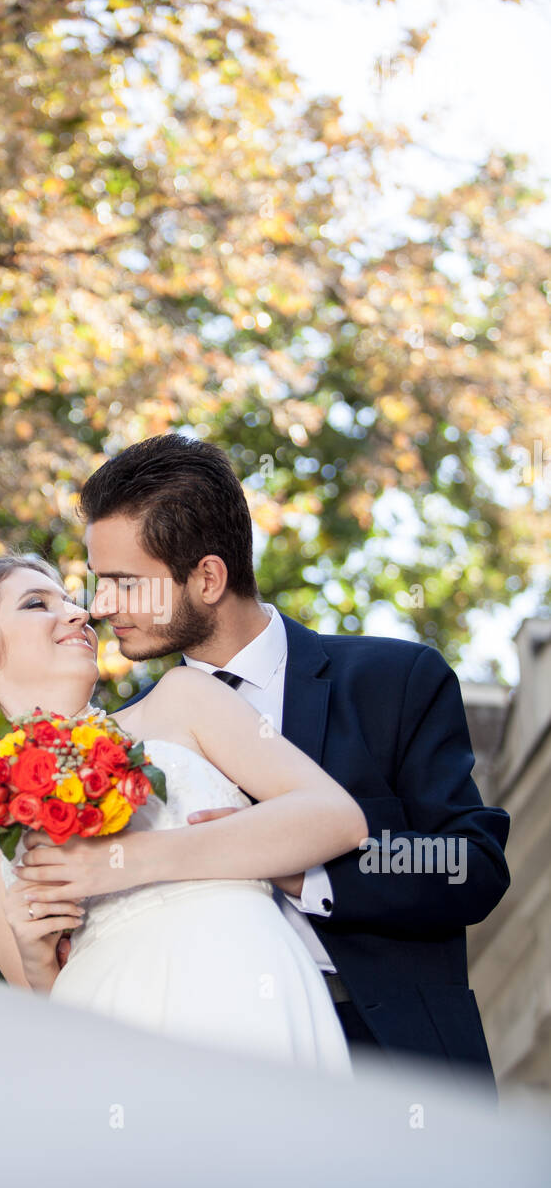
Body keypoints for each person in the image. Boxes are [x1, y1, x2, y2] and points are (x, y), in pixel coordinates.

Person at [67, 432, 511, 1093]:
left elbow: (466, 863)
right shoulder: (122, 743)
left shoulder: (391, 681)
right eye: (100, 583)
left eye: (125, 584)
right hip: (206, 1076)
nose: (102, 608)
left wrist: (308, 869)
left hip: (390, 1062)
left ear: (209, 578)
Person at [0, 553, 370, 1073]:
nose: (80, 614)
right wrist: (36, 960)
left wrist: (131, 858)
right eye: (37, 604)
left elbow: (336, 818)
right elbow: (57, 1037)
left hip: (246, 980)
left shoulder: (180, 701)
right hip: (113, 1043)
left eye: (70, 600)